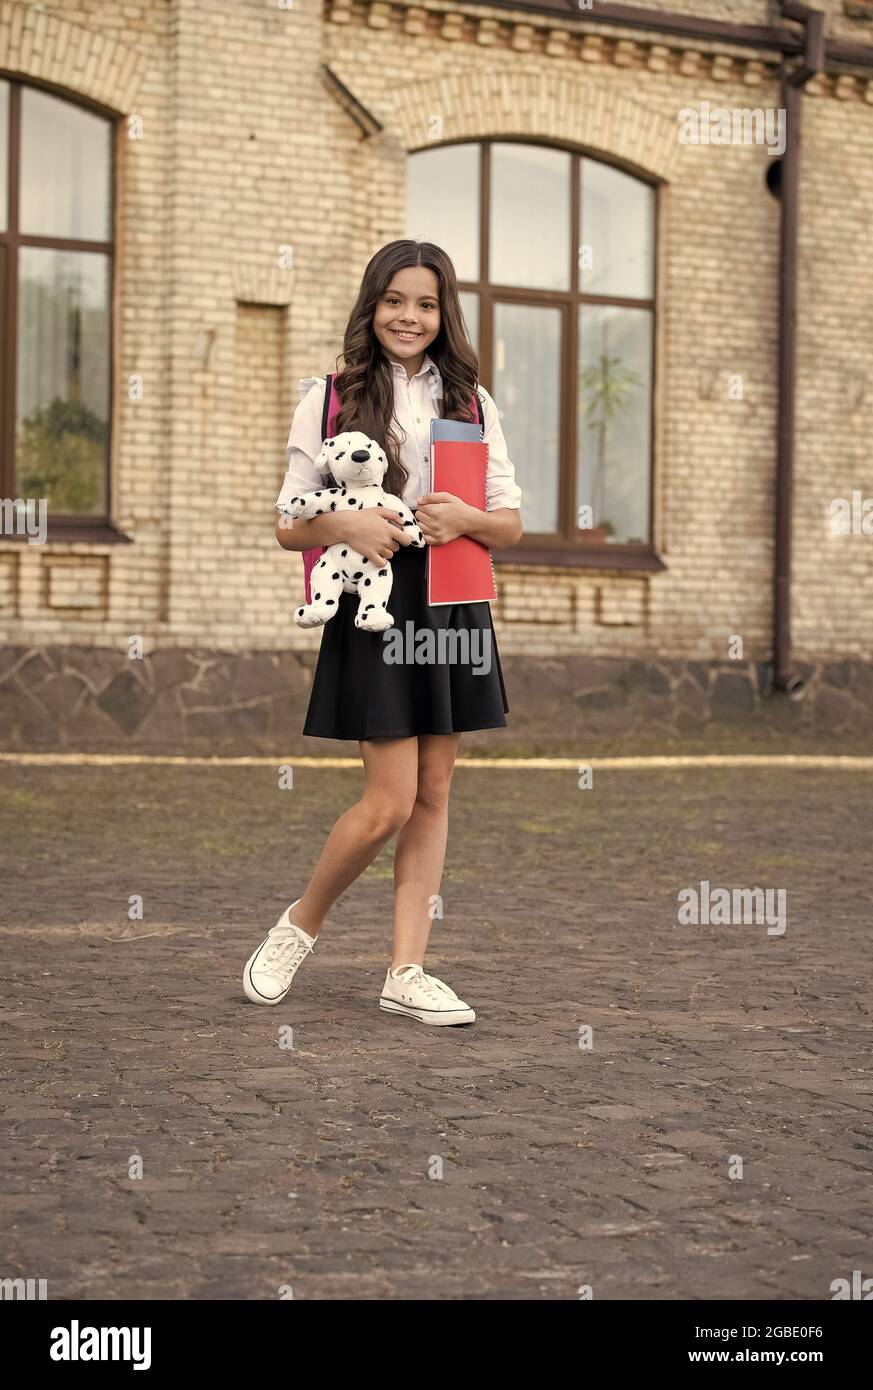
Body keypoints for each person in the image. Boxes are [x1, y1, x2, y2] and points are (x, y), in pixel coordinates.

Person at [242, 239, 523, 1025]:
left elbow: (508, 523)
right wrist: (349, 522)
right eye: (395, 300)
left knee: (434, 793)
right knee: (388, 802)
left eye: (426, 304)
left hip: (455, 598)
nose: (409, 316)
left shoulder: (473, 401)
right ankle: (299, 925)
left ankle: (406, 970)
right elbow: (286, 523)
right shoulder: (329, 396)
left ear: (444, 313)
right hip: (375, 601)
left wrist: (467, 518)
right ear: (372, 306)